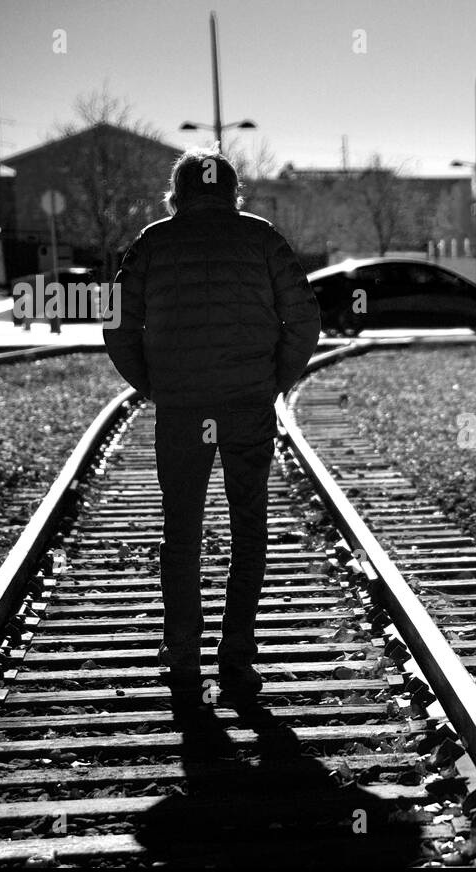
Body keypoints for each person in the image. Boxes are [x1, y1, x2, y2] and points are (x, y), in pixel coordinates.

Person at [104, 148, 321, 706]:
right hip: (247, 406)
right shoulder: (262, 237)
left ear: (177, 193)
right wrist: (273, 380)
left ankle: (182, 652)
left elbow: (117, 322)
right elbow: (304, 317)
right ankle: (237, 656)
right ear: (232, 191)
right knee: (249, 526)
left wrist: (153, 384)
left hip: (182, 410)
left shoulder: (152, 242)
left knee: (182, 530)